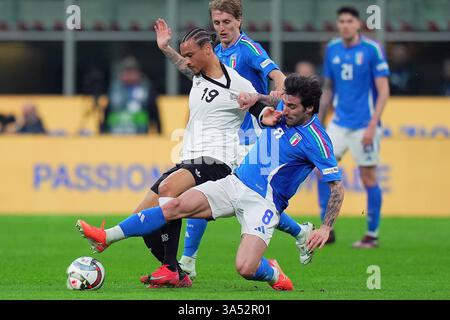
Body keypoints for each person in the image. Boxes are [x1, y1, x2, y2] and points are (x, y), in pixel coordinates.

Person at [76, 74, 344, 291]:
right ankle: (106, 237)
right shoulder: (284, 111)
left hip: (263, 204)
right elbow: (274, 98)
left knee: (246, 268)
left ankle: (274, 273)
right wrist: (258, 97)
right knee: (174, 205)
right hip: (234, 183)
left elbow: (337, 187)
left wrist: (326, 227)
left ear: (309, 108)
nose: (285, 111)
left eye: (293, 107)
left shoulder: (317, 141)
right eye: (286, 104)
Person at [92, 26, 284, 288]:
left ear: (208, 50)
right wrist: (165, 48)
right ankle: (177, 273)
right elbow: (183, 66)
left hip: (217, 160)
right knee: (144, 215)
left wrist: (266, 115)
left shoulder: (237, 83)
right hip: (191, 159)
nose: (188, 60)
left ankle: (111, 239)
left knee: (168, 189)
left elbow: (260, 109)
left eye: (191, 54)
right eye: (185, 55)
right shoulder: (199, 74)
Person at [151, 0, 304, 283]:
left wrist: (274, 101)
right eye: (217, 23)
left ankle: (300, 233)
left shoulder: (249, 49)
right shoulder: (215, 52)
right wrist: (166, 49)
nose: (221, 28)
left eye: (226, 23)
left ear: (239, 21)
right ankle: (188, 260)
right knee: (209, 192)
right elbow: (190, 69)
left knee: (253, 200)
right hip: (227, 138)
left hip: (253, 137)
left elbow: (278, 77)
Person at [317, 6, 390, 248]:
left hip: (363, 125)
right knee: (322, 169)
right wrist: (318, 120)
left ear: (359, 24)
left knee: (368, 176)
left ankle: (372, 233)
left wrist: (372, 126)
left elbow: (383, 90)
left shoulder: (371, 50)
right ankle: (327, 228)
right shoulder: (333, 49)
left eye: (350, 21)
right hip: (339, 123)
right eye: (342, 21)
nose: (345, 25)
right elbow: (329, 88)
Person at [103, 56, 162, 135]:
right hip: (115, 134)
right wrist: (103, 131)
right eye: (126, 71)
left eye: (132, 71)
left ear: (138, 73)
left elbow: (154, 111)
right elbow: (107, 111)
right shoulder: (114, 88)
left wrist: (159, 132)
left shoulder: (146, 88)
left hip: (140, 135)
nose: (129, 75)